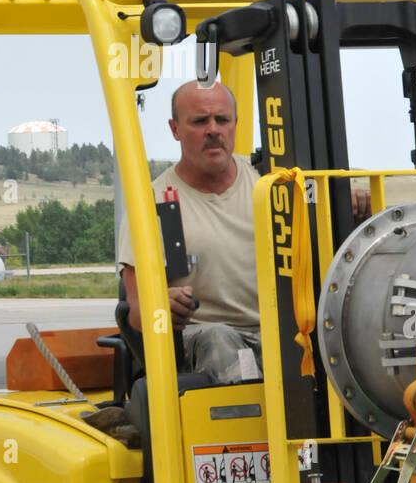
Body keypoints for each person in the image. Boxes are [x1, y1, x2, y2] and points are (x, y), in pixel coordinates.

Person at [118, 79, 370, 386]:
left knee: (352, 333)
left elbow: (322, 235)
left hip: (282, 331)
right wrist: (160, 304)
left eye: (222, 120)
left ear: (235, 124)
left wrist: (348, 203)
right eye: (199, 121)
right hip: (203, 335)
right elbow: (137, 313)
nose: (213, 130)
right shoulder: (154, 203)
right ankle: (251, 429)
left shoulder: (272, 182)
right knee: (220, 340)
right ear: (175, 129)